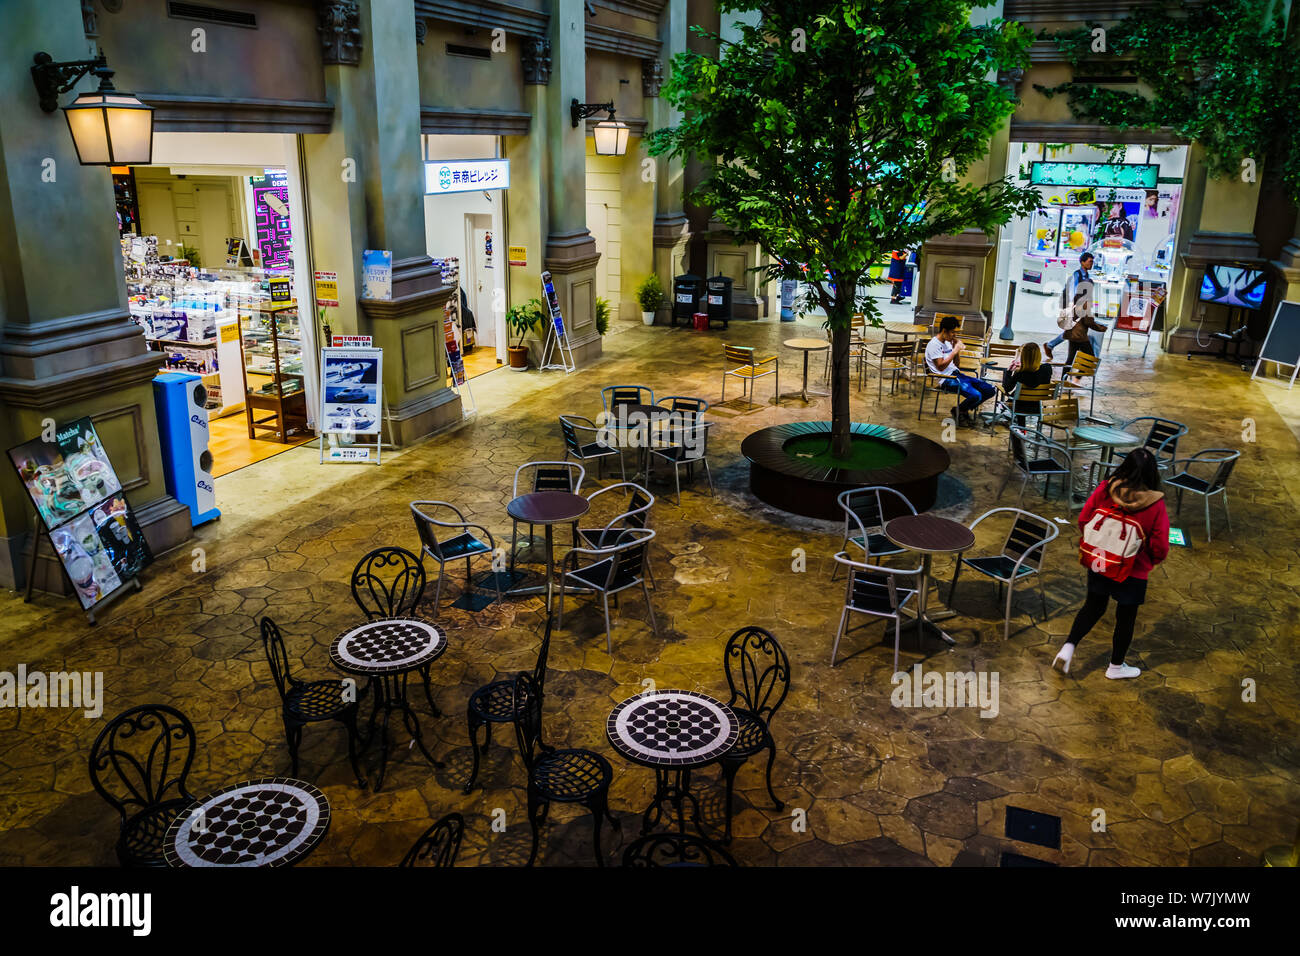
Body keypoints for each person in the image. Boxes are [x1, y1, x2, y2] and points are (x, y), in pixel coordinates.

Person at [1052, 448, 1170, 679]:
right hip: (1133, 569)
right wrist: (1149, 561)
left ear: (1124, 466)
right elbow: (1160, 546)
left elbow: (1084, 519)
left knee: (1093, 606)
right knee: (1125, 618)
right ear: (1152, 473)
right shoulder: (1155, 504)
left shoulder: (1106, 488)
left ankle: (1068, 648)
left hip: (1100, 560)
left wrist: (1100, 545)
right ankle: (1115, 667)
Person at [925, 315, 995, 427]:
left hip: (957, 375)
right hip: (946, 379)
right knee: (976, 395)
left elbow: (956, 364)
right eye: (953, 332)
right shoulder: (934, 345)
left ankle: (961, 410)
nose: (955, 335)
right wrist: (954, 351)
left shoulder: (948, 342)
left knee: (990, 390)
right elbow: (940, 367)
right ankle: (961, 411)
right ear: (944, 331)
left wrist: (956, 350)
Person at [1001, 341, 1052, 424]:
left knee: (1019, 398)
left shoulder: (1020, 373)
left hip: (1020, 408)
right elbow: (1035, 372)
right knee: (1022, 398)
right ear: (1039, 355)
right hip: (1039, 406)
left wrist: (1009, 372)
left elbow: (1007, 388)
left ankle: (1021, 427)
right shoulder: (1047, 368)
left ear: (1023, 356)